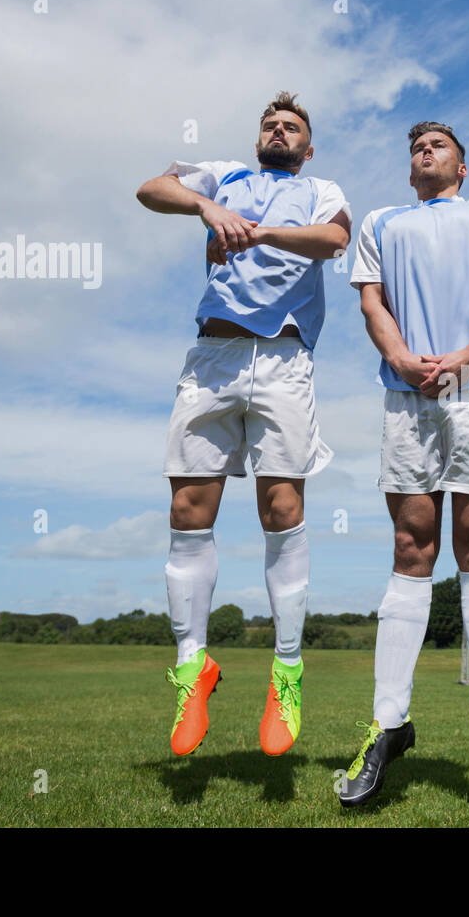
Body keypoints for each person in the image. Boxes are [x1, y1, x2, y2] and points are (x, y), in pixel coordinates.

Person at [135, 92, 351, 757]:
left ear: (307, 148)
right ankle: (191, 667)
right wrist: (206, 206)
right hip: (212, 358)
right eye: (270, 124)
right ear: (258, 137)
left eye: (291, 127)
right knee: (187, 508)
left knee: (281, 508)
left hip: (284, 360)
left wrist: (258, 233)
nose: (278, 130)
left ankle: (286, 671)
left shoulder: (320, 189)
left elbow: (335, 240)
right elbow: (150, 189)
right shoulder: (225, 173)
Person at [338, 121, 469, 808]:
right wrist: (398, 357)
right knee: (409, 547)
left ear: (462, 166)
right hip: (407, 398)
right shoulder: (381, 222)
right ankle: (388, 724)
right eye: (415, 148)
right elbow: (371, 300)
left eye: (438, 146)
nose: (424, 153)